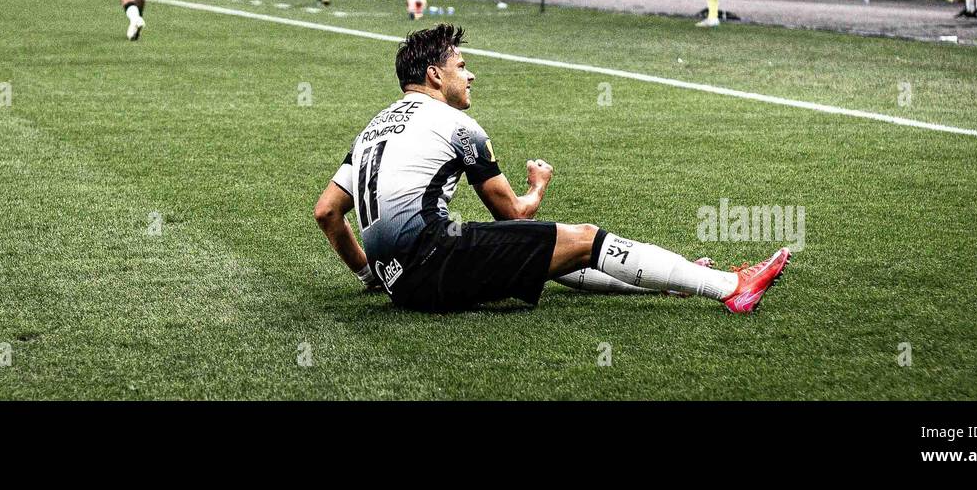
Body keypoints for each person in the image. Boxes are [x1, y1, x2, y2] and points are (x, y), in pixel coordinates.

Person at [312, 24, 789, 313]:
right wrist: (537, 186)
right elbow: (516, 216)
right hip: (435, 265)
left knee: (544, 254)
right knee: (581, 236)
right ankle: (732, 287)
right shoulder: (456, 124)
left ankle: (672, 278)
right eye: (461, 64)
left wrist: (371, 274)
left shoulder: (374, 127)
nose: (471, 73)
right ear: (435, 75)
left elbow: (328, 212)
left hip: (404, 283)